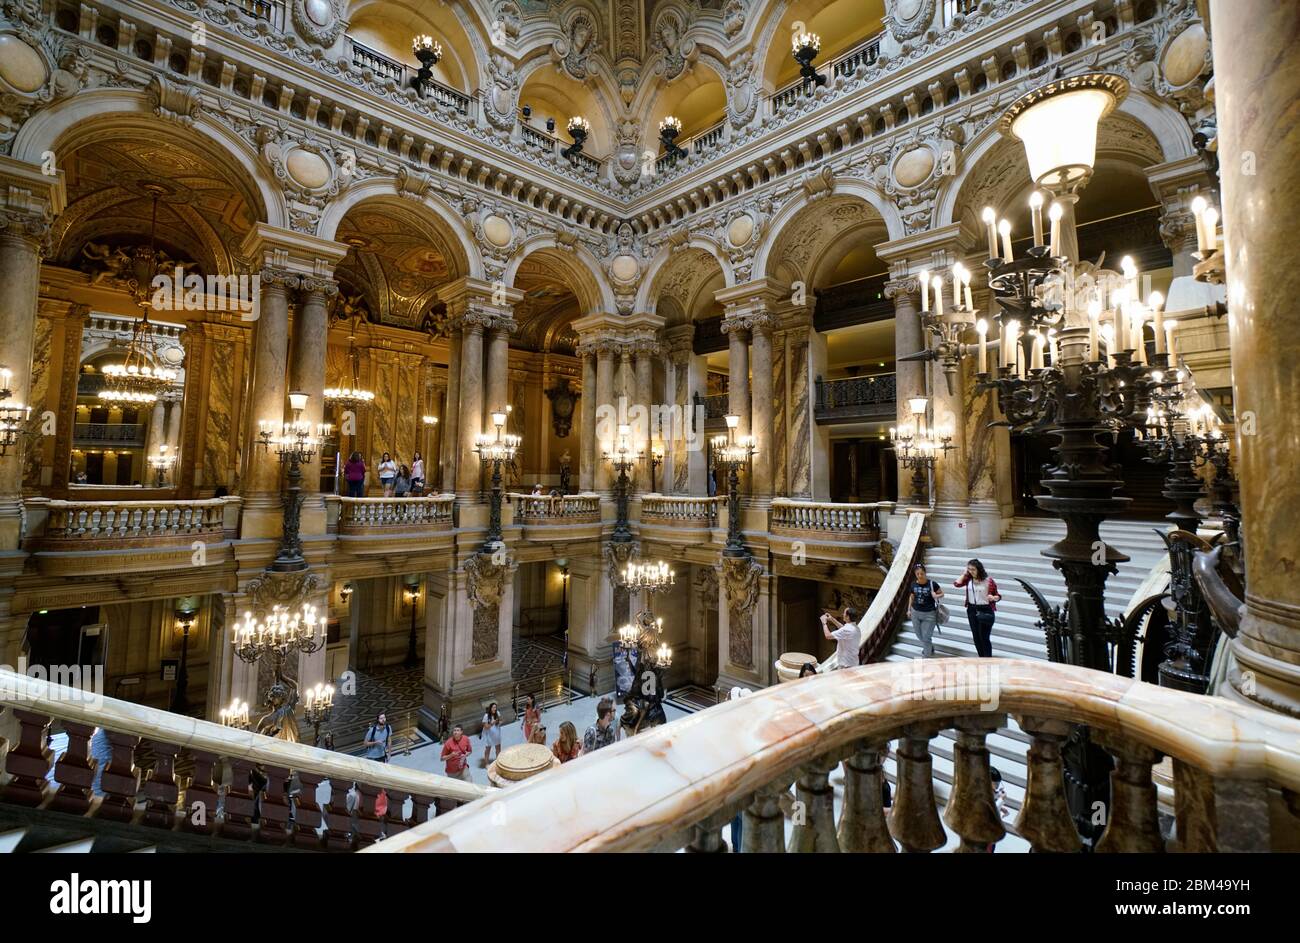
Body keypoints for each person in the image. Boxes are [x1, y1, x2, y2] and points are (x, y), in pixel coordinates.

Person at [954, 558, 1001, 658]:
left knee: (984, 637)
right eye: (969, 569)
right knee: (976, 637)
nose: (971, 571)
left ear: (979, 569)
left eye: (973, 569)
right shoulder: (968, 580)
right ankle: (981, 658)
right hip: (971, 610)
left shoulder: (989, 581)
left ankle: (988, 659)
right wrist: (964, 574)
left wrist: (994, 598)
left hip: (985, 609)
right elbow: (956, 584)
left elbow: (998, 596)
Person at [907, 563, 945, 658]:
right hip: (915, 612)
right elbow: (911, 596)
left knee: (926, 637)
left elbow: (942, 593)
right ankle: (930, 647)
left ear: (925, 573)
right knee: (919, 635)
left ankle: (927, 657)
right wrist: (909, 609)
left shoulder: (932, 584)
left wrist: (936, 595)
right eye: (917, 574)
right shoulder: (913, 584)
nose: (920, 576)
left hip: (929, 614)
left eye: (922, 573)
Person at [480, 701, 502, 767]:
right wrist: (492, 723)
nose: (494, 709)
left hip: (496, 733)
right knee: (488, 749)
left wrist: (500, 722)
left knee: (498, 747)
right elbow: (485, 727)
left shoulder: (497, 713)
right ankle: (486, 763)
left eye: (495, 707)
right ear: (490, 708)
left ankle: (498, 761)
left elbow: (501, 720)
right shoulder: (486, 716)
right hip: (488, 734)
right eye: (493, 707)